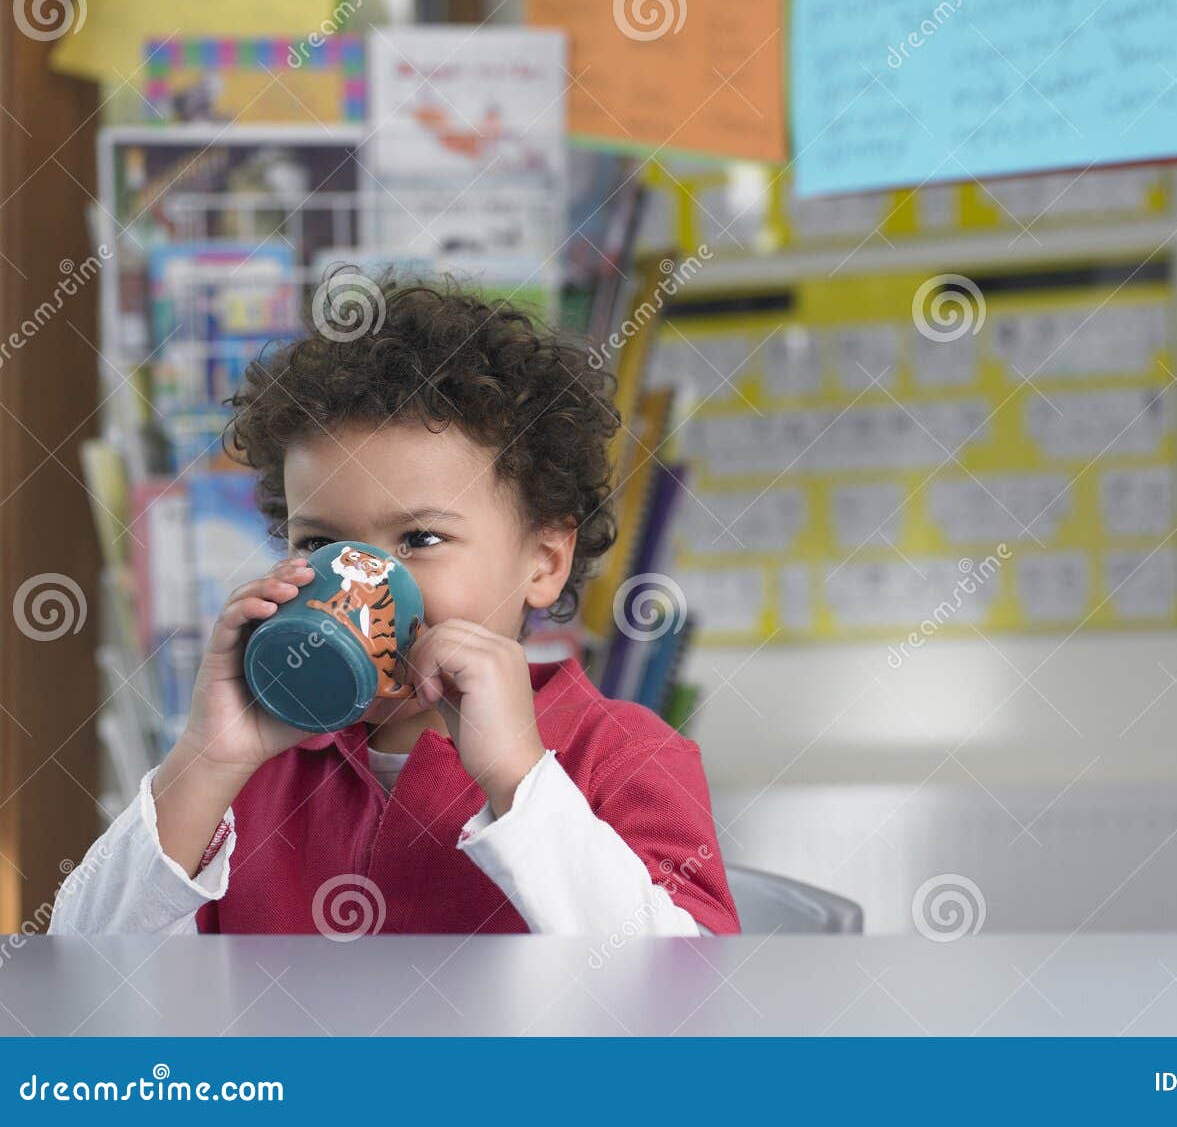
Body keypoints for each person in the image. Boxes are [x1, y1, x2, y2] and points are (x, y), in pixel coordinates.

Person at [51, 272, 739, 937]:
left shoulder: (624, 757)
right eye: (321, 541)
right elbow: (79, 981)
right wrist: (206, 761)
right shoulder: (254, 772)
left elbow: (688, 998)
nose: (361, 583)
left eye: (420, 537)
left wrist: (517, 780)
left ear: (544, 561)